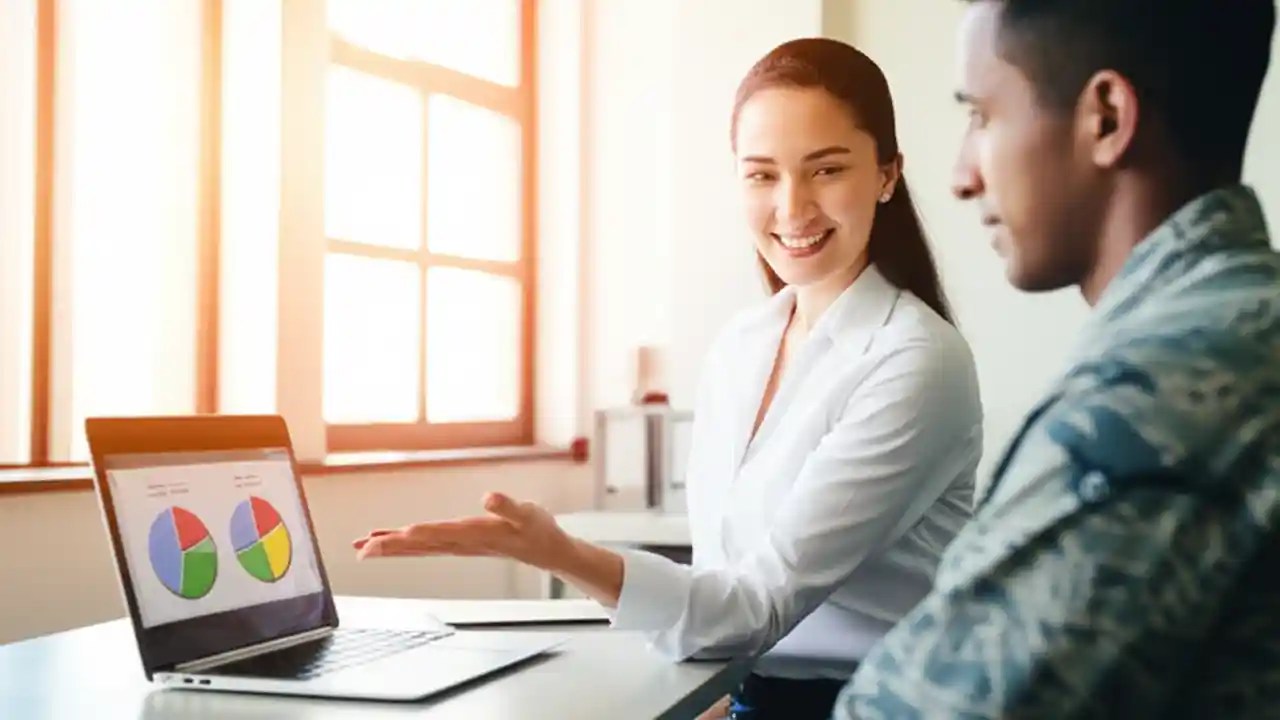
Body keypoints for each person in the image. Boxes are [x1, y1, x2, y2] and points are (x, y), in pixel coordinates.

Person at [354, 38, 983, 720]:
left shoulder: (915, 359)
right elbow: (724, 592)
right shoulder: (741, 346)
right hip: (746, 693)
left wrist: (559, 553)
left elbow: (756, 608)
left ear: (887, 174)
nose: (793, 207)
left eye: (826, 170)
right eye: (762, 175)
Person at [837, 1, 1280, 718]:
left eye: (981, 116)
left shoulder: (1160, 394)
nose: (960, 175)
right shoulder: (1245, 319)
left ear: (1105, 117)